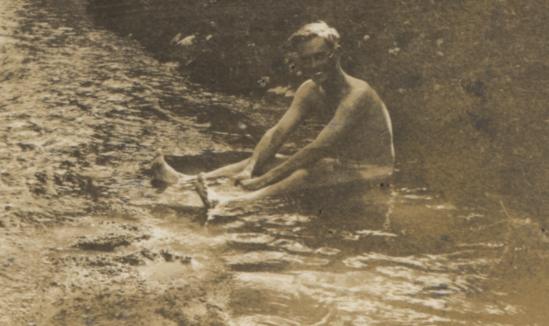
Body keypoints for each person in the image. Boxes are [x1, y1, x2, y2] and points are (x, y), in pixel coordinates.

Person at [151, 22, 394, 212]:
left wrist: (264, 179)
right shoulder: (309, 89)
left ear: (336, 53)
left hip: (373, 170)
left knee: (312, 169)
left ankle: (228, 203)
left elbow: (319, 147)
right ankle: (183, 180)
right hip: (341, 162)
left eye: (320, 56)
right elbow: (277, 133)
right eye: (305, 59)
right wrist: (251, 169)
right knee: (266, 158)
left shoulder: (357, 94)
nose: (314, 65)